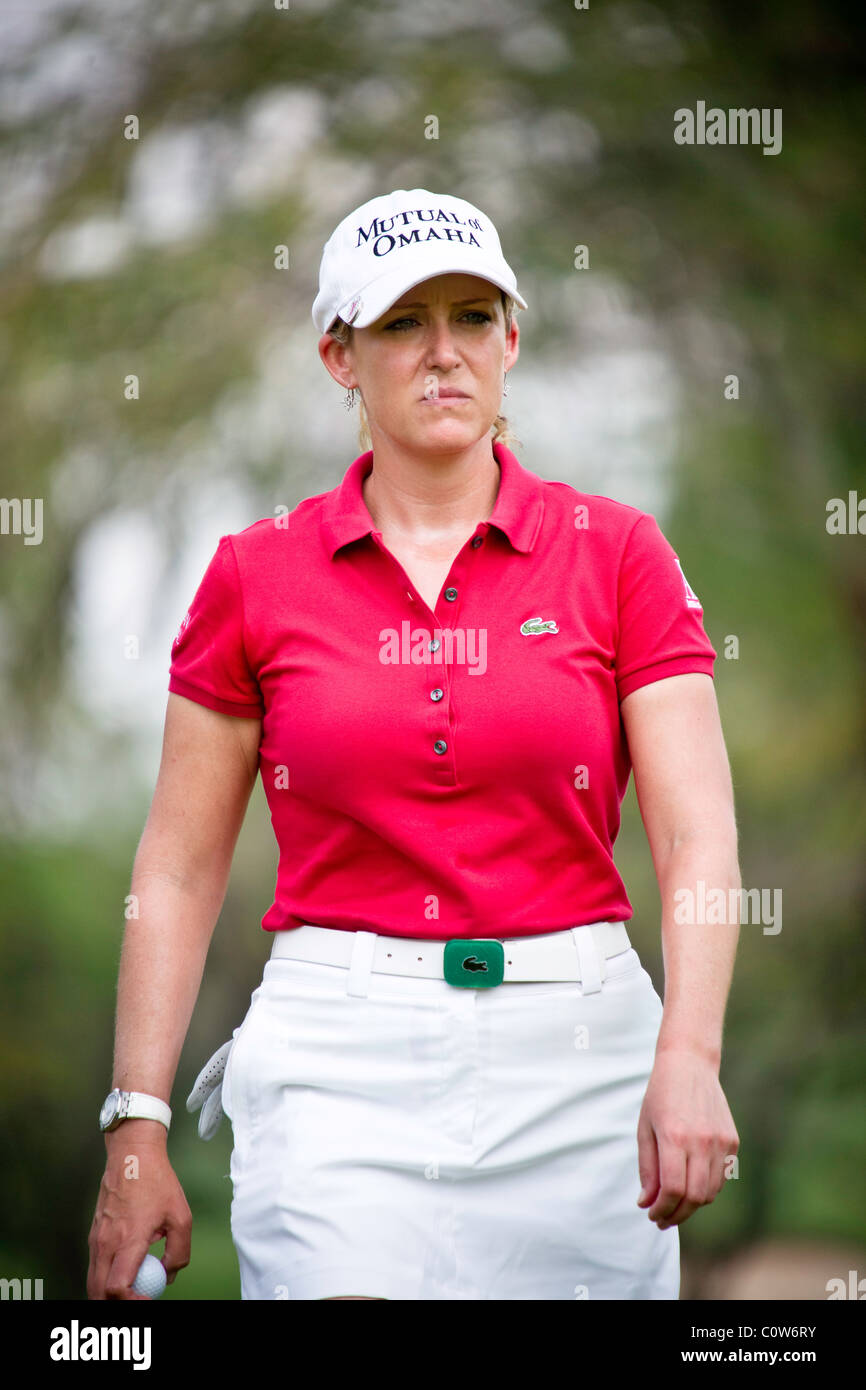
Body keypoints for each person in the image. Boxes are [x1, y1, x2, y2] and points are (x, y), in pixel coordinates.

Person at [87, 187, 740, 1302]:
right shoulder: (255, 574)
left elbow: (696, 839)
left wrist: (689, 1053)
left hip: (583, 1062)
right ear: (340, 357)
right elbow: (180, 866)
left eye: (472, 317)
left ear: (510, 341)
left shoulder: (619, 553)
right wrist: (136, 1125)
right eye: (402, 323)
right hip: (337, 1065)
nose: (444, 352)